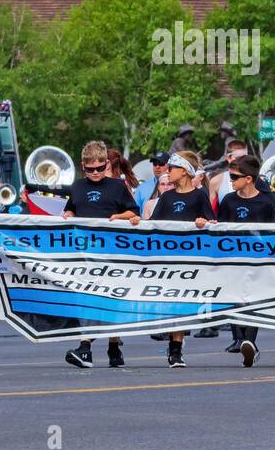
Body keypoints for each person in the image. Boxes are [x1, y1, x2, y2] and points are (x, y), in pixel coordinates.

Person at [62, 140, 140, 369]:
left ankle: (113, 345)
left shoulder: (117, 187)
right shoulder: (77, 187)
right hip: (84, 253)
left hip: (112, 252)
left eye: (100, 168)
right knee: (87, 298)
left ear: (107, 164)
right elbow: (71, 208)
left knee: (110, 299)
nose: (95, 173)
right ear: (82, 166)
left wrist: (120, 217)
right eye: (90, 169)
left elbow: (133, 212)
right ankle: (84, 348)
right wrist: (67, 213)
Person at [149, 152, 214, 367]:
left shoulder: (200, 195)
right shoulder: (166, 197)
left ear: (184, 171)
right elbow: (153, 224)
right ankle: (173, 346)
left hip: (191, 258)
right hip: (168, 257)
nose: (168, 172)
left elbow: (213, 223)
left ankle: (176, 350)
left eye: (172, 168)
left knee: (182, 302)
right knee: (170, 302)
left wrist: (204, 221)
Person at [216, 154, 275, 366]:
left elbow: (273, 234)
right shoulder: (228, 201)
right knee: (237, 301)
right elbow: (220, 231)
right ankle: (244, 340)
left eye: (234, 177)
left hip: (258, 261)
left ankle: (250, 342)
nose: (231, 181)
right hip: (233, 260)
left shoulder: (265, 202)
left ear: (249, 179)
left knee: (254, 300)